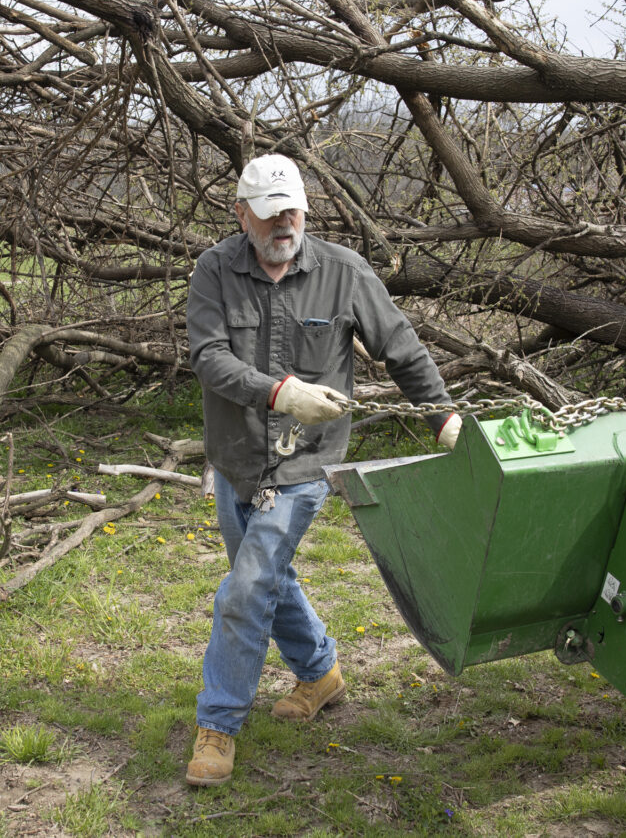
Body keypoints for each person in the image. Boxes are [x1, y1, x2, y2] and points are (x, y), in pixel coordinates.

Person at [183, 153, 460, 787]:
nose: (285, 223)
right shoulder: (214, 271)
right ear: (241, 215)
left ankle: (218, 726)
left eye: (293, 210)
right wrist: (279, 392)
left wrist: (439, 414)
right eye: (270, 212)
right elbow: (208, 358)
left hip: (304, 463)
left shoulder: (343, 271)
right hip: (235, 459)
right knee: (267, 578)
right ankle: (321, 674)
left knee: (247, 589)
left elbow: (400, 345)